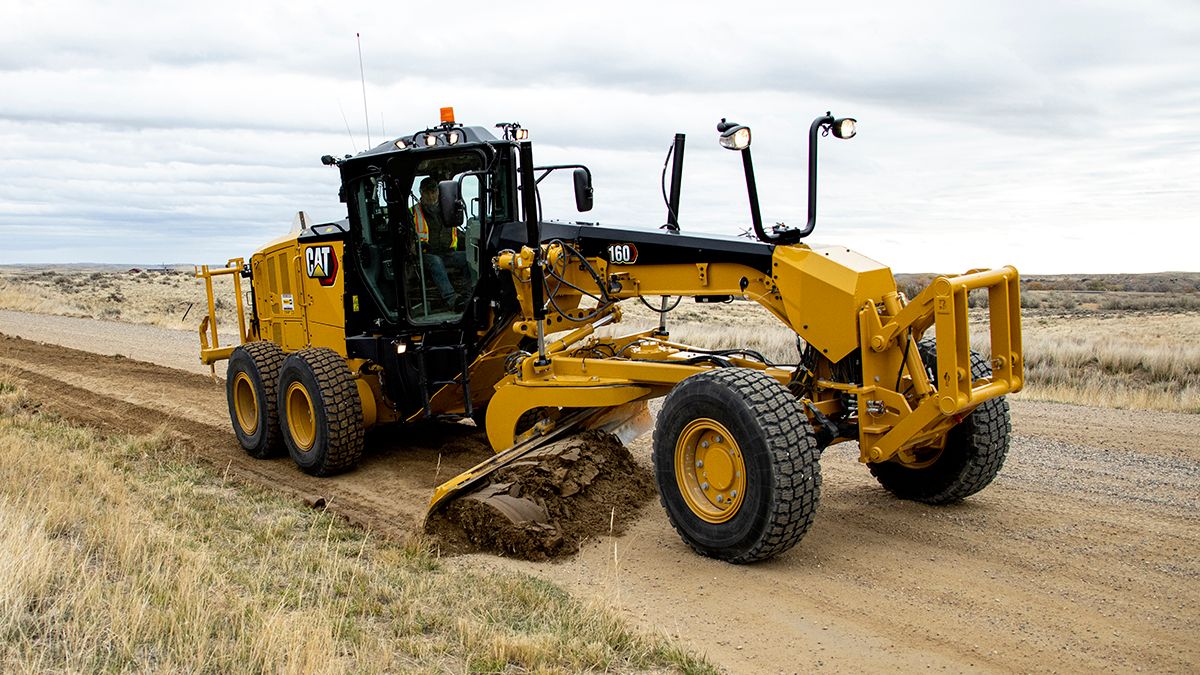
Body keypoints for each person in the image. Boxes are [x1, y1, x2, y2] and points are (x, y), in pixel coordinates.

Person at [412, 176, 472, 309]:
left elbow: (457, 233)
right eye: (427, 192)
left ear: (439, 193)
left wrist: (472, 239)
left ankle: (470, 296)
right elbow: (407, 238)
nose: (431, 196)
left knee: (470, 258)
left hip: (446, 254)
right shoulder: (413, 213)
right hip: (425, 256)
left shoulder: (447, 211)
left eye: (433, 192)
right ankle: (452, 299)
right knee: (435, 261)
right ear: (421, 193)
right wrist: (414, 246)